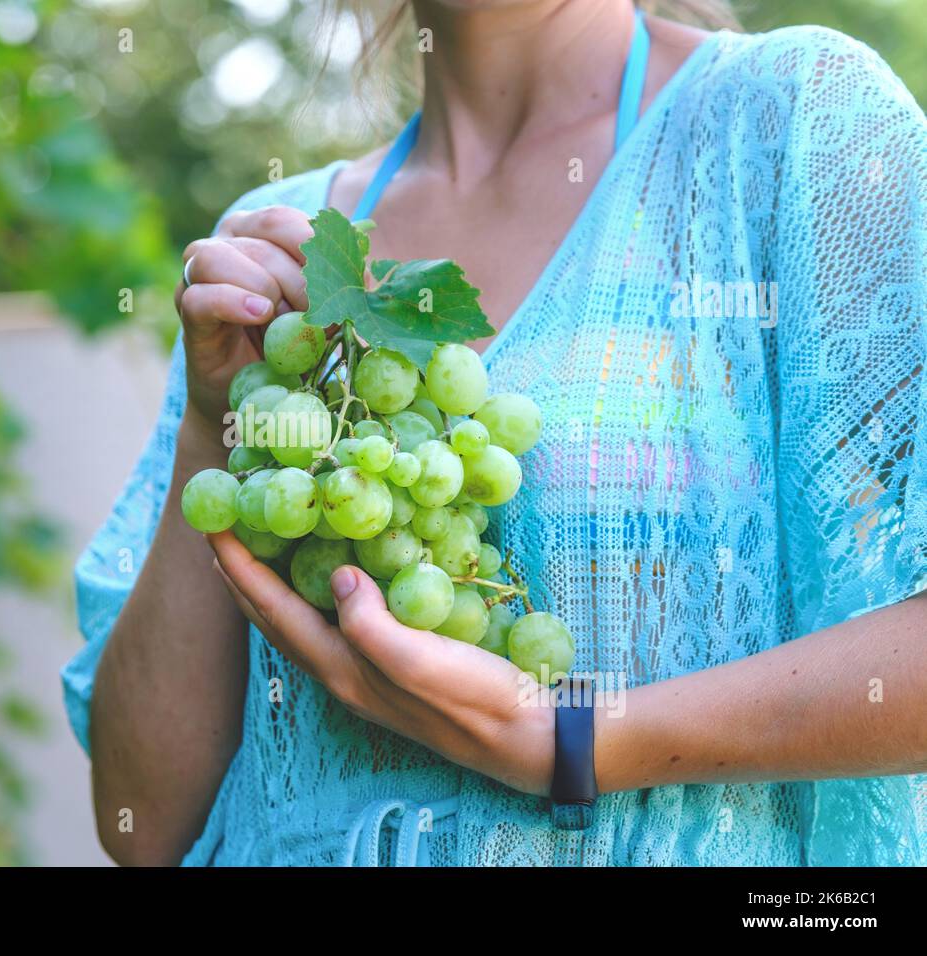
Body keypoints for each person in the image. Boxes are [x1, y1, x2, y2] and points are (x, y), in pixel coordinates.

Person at [65, 0, 927, 866]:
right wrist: (217, 422)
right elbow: (145, 825)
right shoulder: (280, 257)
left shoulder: (788, 123)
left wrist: (573, 740)